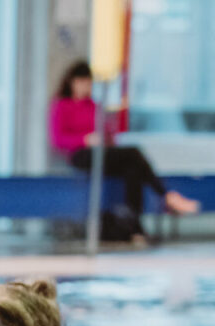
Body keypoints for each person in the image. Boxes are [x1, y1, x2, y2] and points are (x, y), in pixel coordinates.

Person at [50, 59, 200, 242]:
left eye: (87, 83)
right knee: (134, 154)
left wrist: (106, 135)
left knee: (133, 169)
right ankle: (167, 196)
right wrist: (85, 139)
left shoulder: (93, 105)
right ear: (71, 82)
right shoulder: (62, 105)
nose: (84, 87)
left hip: (102, 152)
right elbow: (58, 139)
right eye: (81, 82)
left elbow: (107, 132)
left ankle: (134, 227)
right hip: (80, 154)